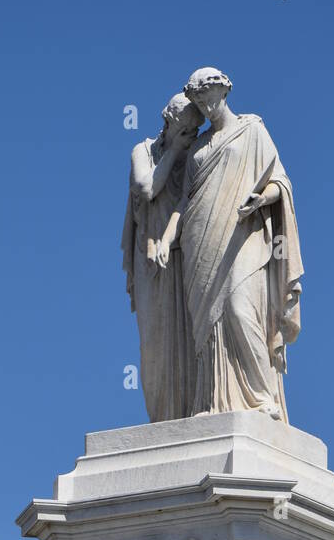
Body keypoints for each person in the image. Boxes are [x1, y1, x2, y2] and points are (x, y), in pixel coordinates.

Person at [156, 66, 303, 421]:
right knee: (207, 326)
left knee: (239, 308)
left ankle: (261, 395)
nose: (206, 109)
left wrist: (262, 200)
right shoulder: (197, 150)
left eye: (209, 99)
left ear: (224, 92)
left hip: (242, 235)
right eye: (199, 103)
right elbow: (184, 202)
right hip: (199, 242)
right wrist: (166, 236)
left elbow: (279, 181)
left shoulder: (252, 131)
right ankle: (213, 402)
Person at [121, 92, 203, 421]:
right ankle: (162, 421)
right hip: (149, 259)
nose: (191, 137)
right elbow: (145, 187)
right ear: (168, 122)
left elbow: (190, 200)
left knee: (190, 340)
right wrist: (174, 152)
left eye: (194, 132)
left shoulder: (196, 156)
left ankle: (190, 414)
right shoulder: (143, 150)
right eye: (185, 129)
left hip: (184, 254)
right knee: (155, 345)